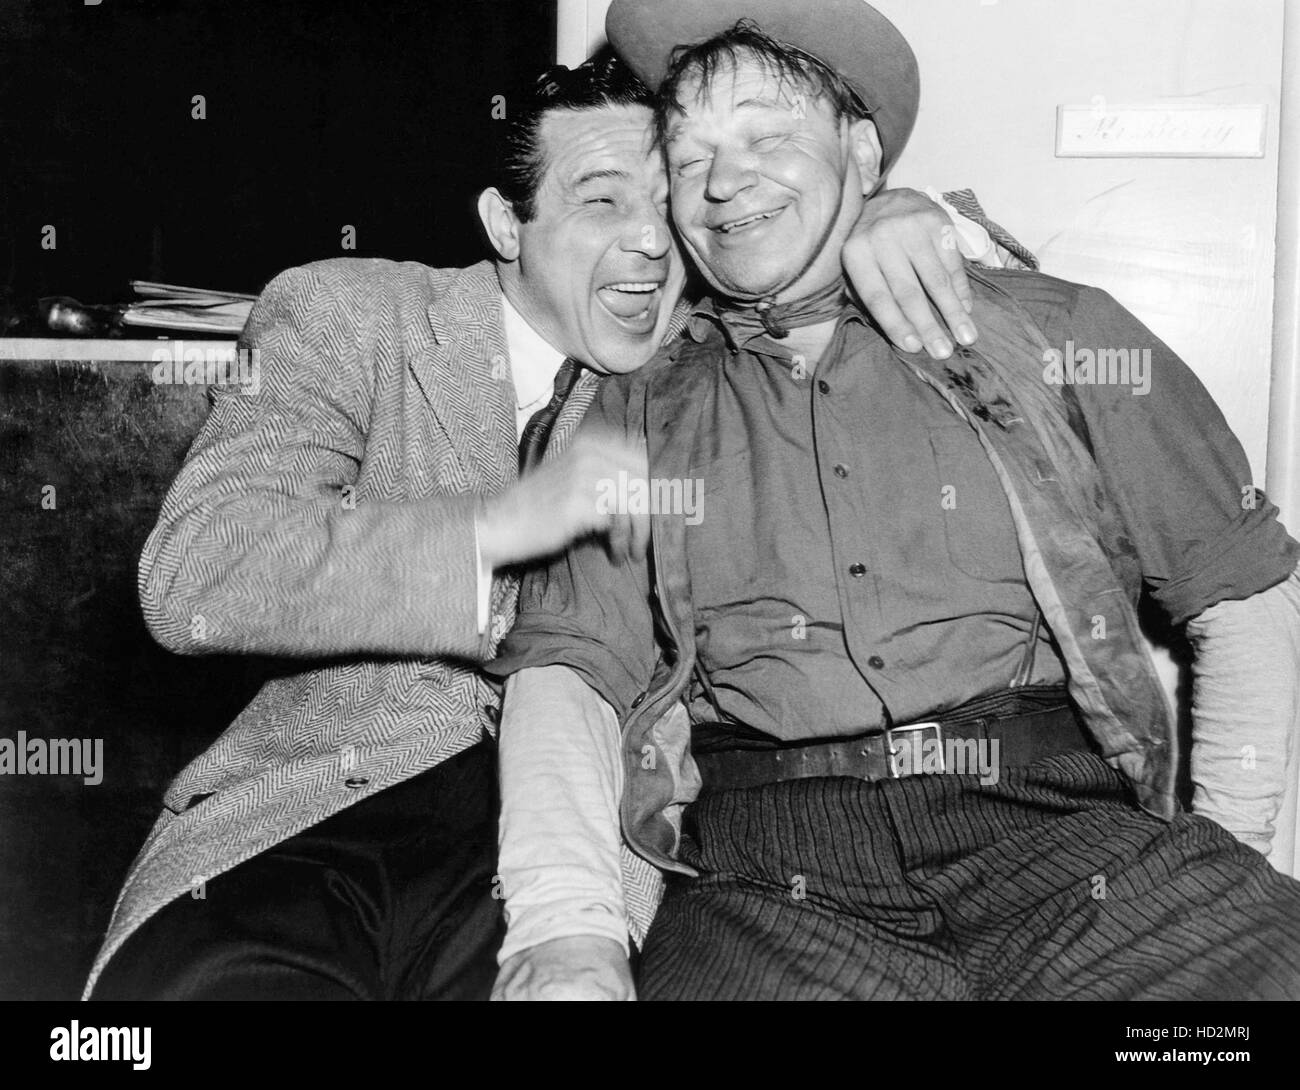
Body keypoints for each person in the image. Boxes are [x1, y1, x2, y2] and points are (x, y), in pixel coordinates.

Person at [84, 47, 1000, 1000]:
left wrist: (910, 214)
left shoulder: (720, 344)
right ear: (505, 224)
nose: (653, 242)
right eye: (602, 200)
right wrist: (501, 526)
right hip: (317, 819)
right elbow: (194, 575)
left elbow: (915, 257)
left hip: (590, 856)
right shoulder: (357, 316)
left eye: (669, 198)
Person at [488, 0, 1300, 1001]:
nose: (721, 185)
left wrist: (1216, 858)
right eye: (688, 159)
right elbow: (567, 674)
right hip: (770, 888)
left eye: (766, 137)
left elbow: (1242, 589)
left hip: (1066, 838)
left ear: (864, 153)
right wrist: (564, 929)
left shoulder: (1058, 334)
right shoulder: (632, 406)